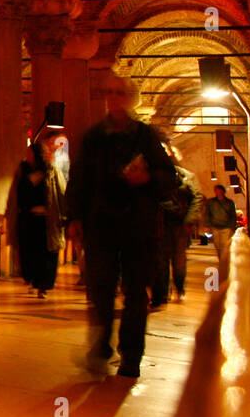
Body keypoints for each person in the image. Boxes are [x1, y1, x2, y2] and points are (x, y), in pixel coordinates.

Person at [65, 72, 176, 378]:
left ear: (130, 99)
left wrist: (147, 178)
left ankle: (130, 355)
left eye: (119, 93)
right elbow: (79, 179)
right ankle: (101, 346)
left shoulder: (146, 137)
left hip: (138, 226)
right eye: (109, 92)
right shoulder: (93, 138)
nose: (113, 97)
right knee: (100, 289)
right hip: (101, 224)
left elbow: (170, 178)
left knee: (136, 292)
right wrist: (74, 217)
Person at [150, 146, 201, 307]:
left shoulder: (186, 176)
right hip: (159, 224)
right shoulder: (152, 176)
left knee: (178, 260)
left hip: (179, 225)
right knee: (160, 260)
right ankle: (161, 294)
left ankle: (178, 287)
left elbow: (197, 198)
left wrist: (189, 219)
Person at [16, 138, 68, 298]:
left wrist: (65, 215)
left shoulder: (51, 171)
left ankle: (43, 286)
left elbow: (60, 192)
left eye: (30, 154)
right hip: (29, 220)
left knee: (47, 254)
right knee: (30, 253)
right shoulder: (22, 171)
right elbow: (17, 194)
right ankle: (33, 280)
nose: (28, 157)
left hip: (47, 220)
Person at [205, 184, 238, 266]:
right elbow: (207, 214)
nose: (217, 192)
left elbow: (233, 215)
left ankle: (224, 261)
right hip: (215, 226)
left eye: (219, 190)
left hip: (226, 227)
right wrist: (207, 225)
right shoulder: (211, 202)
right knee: (217, 245)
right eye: (216, 190)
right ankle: (221, 260)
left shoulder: (229, 203)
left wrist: (232, 228)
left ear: (223, 191)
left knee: (224, 245)